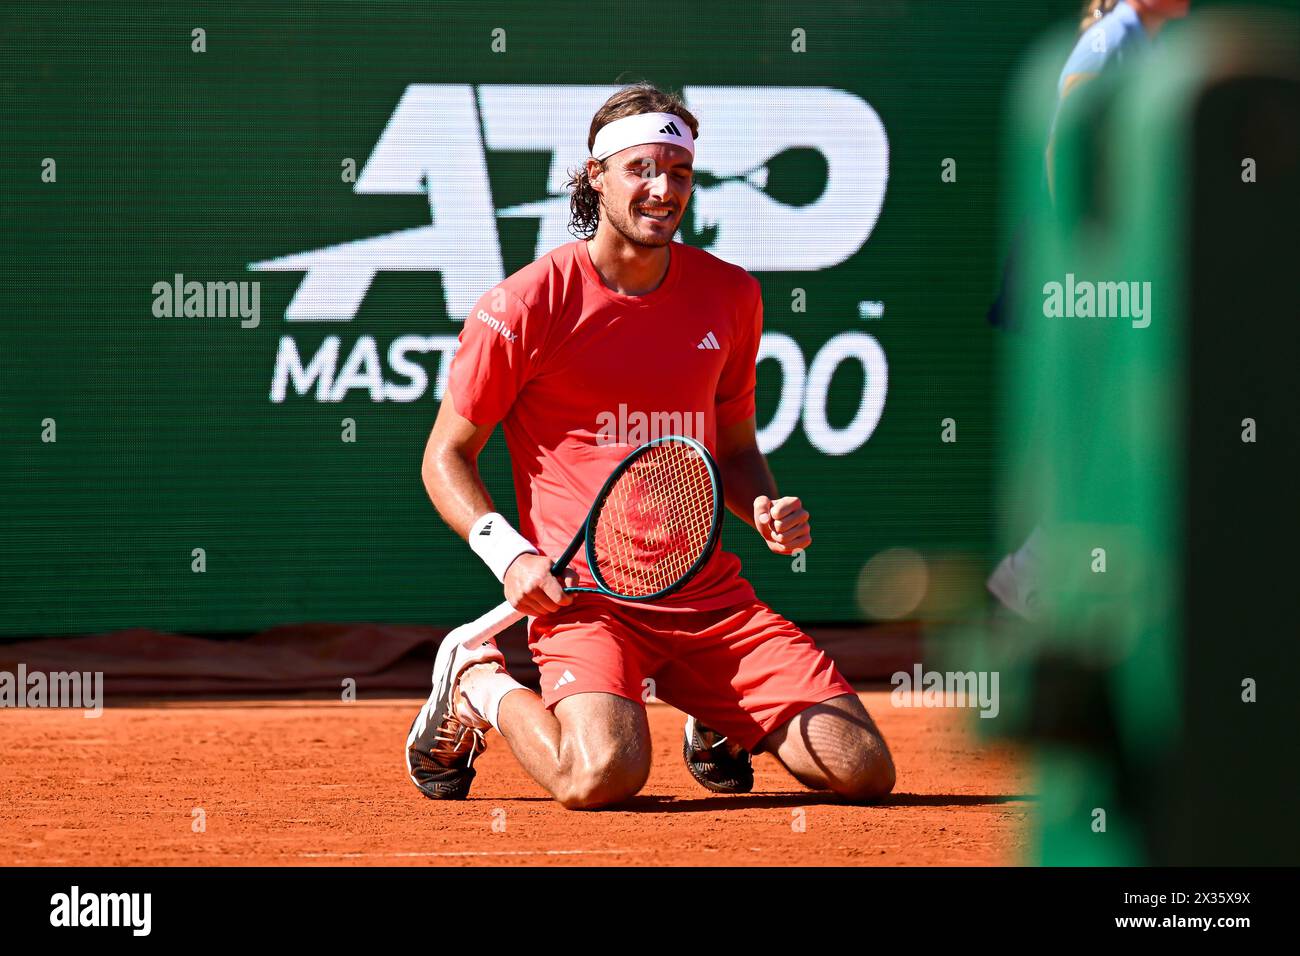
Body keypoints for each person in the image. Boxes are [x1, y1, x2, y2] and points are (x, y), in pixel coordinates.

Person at [406, 82, 896, 809]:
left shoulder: (731, 296)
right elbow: (446, 454)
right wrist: (509, 556)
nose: (663, 189)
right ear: (596, 176)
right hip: (585, 602)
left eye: (680, 171)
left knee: (862, 771)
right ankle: (478, 681)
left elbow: (733, 448)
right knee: (600, 776)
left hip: (705, 596)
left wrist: (760, 505)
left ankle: (716, 712)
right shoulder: (523, 305)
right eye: (641, 168)